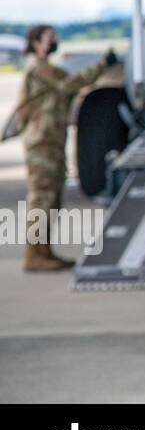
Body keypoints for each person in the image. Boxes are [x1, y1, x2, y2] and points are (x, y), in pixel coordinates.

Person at [12, 25, 115, 272]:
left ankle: (44, 252)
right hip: (42, 141)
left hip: (50, 140)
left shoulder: (42, 67)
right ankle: (34, 255)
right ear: (36, 42)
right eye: (50, 38)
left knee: (51, 198)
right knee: (42, 197)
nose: (54, 41)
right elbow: (69, 83)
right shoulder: (39, 68)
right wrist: (102, 65)